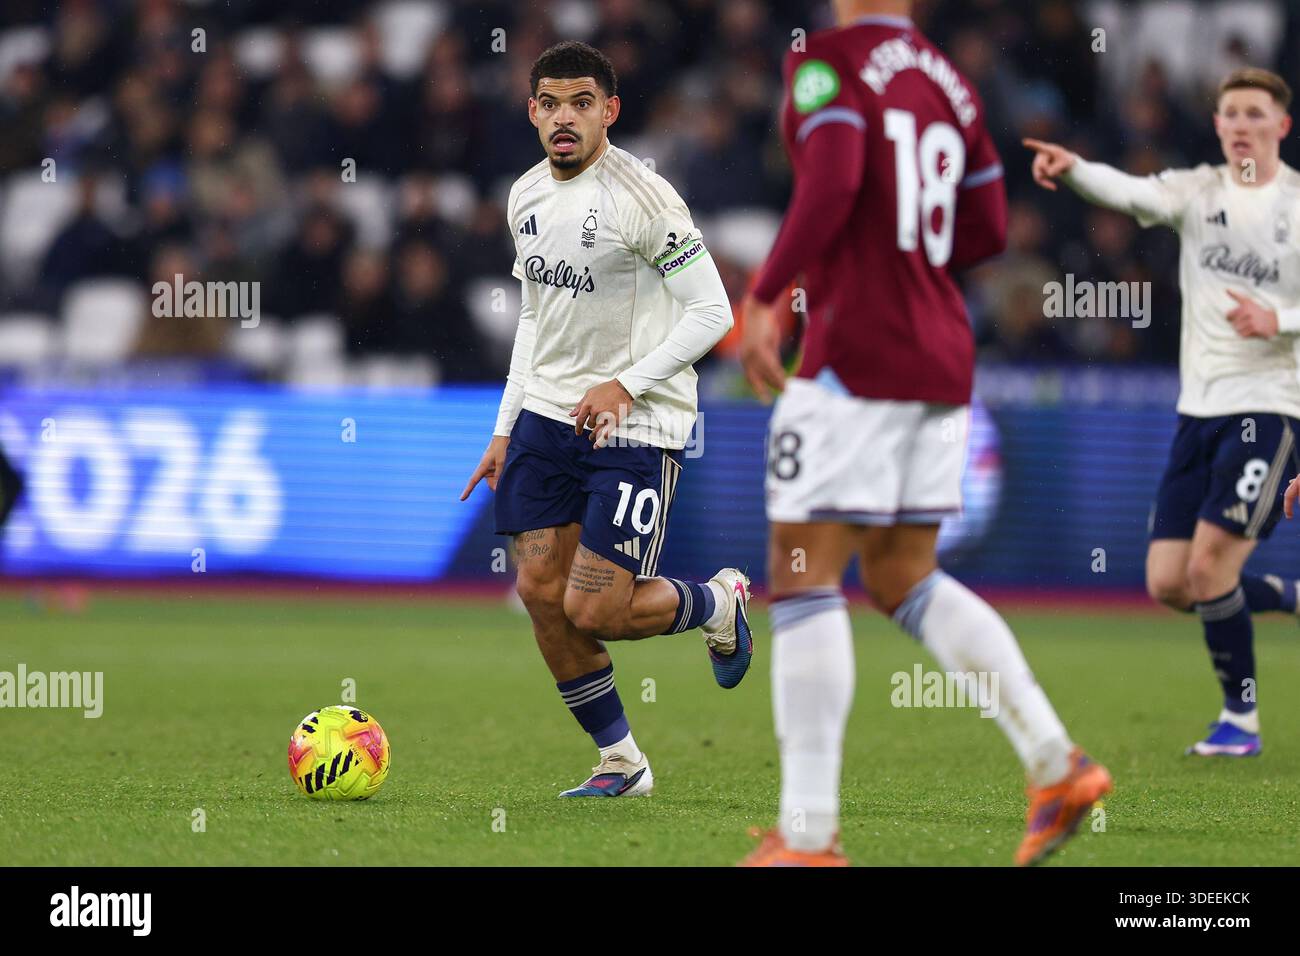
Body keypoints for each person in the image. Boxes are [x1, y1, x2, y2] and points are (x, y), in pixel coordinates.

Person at [738, 0, 1111, 866]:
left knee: (802, 574)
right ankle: (1055, 764)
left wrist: (766, 293)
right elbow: (982, 228)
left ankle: (807, 839)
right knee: (904, 573)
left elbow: (830, 184)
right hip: (940, 351)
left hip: (855, 352)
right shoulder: (954, 84)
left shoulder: (826, 64)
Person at [461, 41, 752, 799]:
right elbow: (536, 315)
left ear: (609, 113)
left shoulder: (645, 198)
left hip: (636, 421)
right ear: (532, 112)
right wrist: (504, 425)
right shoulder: (524, 195)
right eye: (551, 104)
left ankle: (719, 602)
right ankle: (621, 761)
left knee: (599, 607)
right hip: (545, 419)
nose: (565, 118)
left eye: (581, 103)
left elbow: (714, 312)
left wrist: (626, 384)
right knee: (538, 590)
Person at [1026, 67, 1300, 758]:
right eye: (1230, 112)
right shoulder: (1197, 190)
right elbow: (1131, 192)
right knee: (1170, 584)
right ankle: (1290, 597)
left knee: (1210, 572)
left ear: (1281, 126)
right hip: (1195, 413)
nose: (1241, 123)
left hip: (1268, 408)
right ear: (1216, 125)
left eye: (1255, 113)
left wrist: (1281, 317)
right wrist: (1076, 168)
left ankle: (1240, 722)